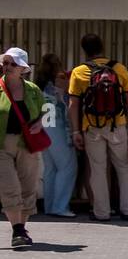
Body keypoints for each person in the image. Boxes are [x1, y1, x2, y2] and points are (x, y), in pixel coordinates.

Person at [68, 34, 128, 222]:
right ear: (102, 47)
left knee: (98, 169)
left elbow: (73, 104)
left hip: (91, 127)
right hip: (118, 125)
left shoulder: (79, 72)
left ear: (84, 50)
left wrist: (75, 131)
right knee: (123, 167)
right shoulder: (119, 68)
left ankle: (101, 212)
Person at [1, 48, 46, 248]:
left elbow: (45, 111)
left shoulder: (33, 90)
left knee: (28, 188)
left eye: (12, 64)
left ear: (23, 69)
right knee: (10, 187)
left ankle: (20, 229)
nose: (7, 66)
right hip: (2, 144)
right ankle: (18, 230)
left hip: (27, 144)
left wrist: (40, 123)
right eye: (5, 62)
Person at [35, 54, 76, 218]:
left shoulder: (40, 83)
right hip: (55, 124)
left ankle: (50, 205)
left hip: (43, 124)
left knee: (50, 168)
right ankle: (60, 207)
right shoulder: (60, 79)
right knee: (68, 166)